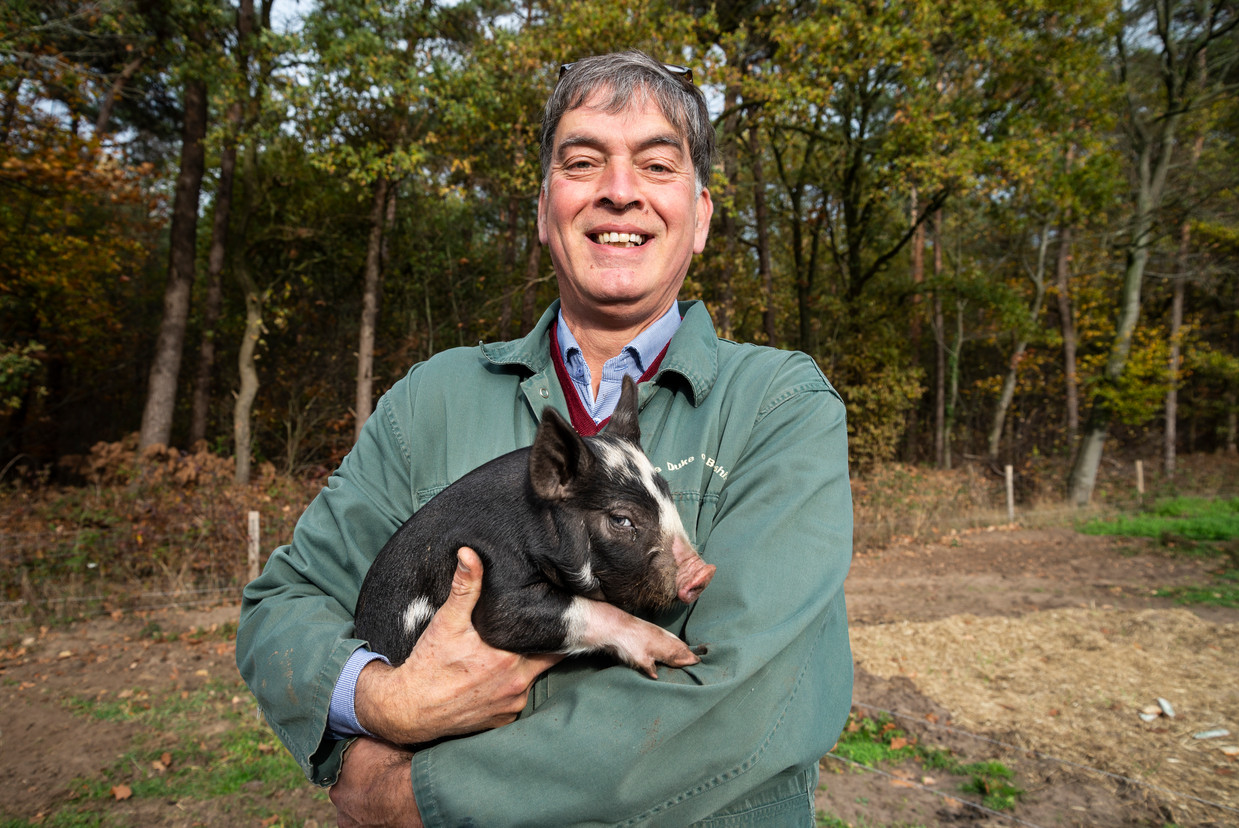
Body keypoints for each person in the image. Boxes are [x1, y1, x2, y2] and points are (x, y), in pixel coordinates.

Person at [236, 49, 853, 827]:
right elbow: (283, 608)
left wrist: (415, 799)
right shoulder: (434, 398)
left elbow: (741, 696)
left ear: (700, 216)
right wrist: (383, 700)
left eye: (656, 165)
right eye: (583, 160)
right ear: (542, 209)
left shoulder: (777, 404)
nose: (619, 192)